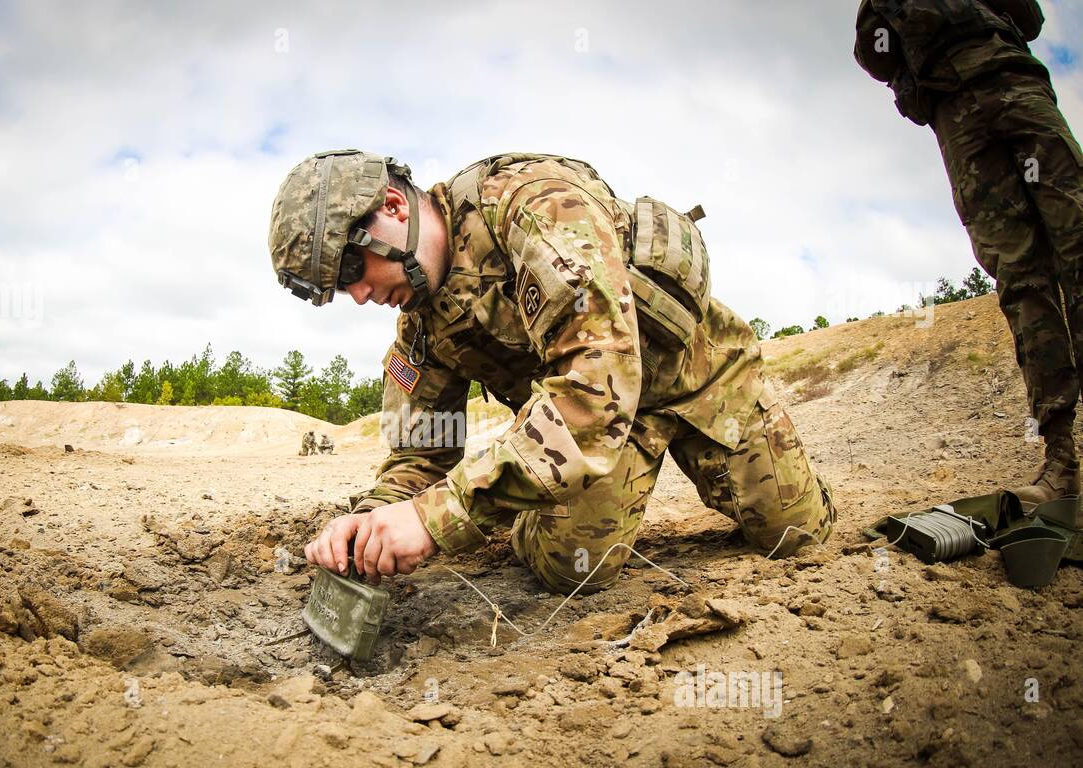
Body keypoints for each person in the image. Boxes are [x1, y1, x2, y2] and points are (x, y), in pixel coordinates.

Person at [269, 150, 835, 592]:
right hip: (605, 429)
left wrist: (439, 517)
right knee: (573, 569)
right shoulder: (423, 324)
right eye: (339, 291)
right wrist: (371, 520)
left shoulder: (536, 207)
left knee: (796, 536)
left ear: (392, 207)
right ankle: (540, 509)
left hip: (699, 382)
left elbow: (595, 387)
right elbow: (420, 453)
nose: (360, 295)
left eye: (352, 268)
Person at [855, 0, 1082, 505]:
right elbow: (873, 53)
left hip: (1014, 84)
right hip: (955, 114)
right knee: (1020, 279)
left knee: (1077, 240)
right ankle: (1061, 461)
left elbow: (1031, 18)